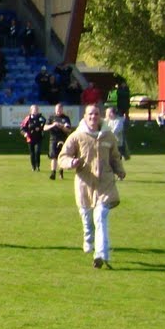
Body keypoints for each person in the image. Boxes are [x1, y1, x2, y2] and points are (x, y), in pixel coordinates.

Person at [57, 102, 127, 268]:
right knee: (87, 220)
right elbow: (62, 157)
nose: (93, 117)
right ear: (85, 117)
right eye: (90, 114)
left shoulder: (108, 136)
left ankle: (101, 254)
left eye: (96, 114)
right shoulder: (77, 136)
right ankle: (88, 240)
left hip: (105, 184)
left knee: (100, 217)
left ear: (100, 116)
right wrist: (71, 162)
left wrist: (120, 170)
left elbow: (115, 157)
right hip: (85, 184)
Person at [44, 104, 73, 181]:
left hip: (63, 139)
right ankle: (53, 173)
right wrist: (53, 125)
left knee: (61, 156)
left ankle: (61, 171)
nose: (58, 111)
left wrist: (62, 127)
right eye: (57, 110)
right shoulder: (51, 117)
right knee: (53, 156)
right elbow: (45, 128)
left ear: (62, 110)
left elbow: (69, 130)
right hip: (53, 139)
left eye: (60, 110)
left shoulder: (66, 118)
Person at [19, 104, 46, 172]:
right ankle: (33, 166)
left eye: (37, 110)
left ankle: (38, 166)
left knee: (37, 152)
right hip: (30, 138)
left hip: (38, 138)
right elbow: (22, 128)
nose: (36, 111)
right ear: (31, 111)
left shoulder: (41, 118)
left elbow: (44, 125)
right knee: (32, 153)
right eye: (34, 110)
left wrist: (39, 128)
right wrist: (25, 133)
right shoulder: (28, 118)